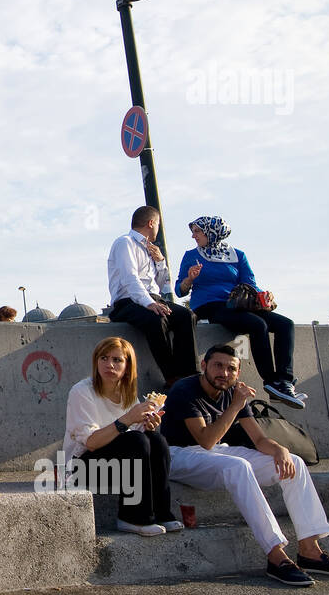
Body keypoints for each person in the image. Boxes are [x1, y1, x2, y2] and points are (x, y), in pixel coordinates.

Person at [163, 344, 329, 586]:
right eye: (218, 366)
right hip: (179, 456)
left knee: (295, 463)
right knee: (238, 467)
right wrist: (236, 405)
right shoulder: (185, 389)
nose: (224, 373)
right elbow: (205, 440)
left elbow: (258, 439)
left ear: (237, 373)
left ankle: (310, 550)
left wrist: (280, 450)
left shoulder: (233, 391)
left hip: (217, 453)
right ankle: (276, 556)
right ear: (204, 366)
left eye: (231, 369)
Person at [176, 216, 306, 409]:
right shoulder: (191, 256)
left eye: (197, 231)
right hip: (209, 305)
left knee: (285, 324)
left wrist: (264, 296)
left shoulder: (237, 255)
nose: (193, 236)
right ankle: (270, 381)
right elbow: (180, 290)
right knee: (257, 325)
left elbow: (249, 284)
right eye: (193, 231)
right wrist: (189, 279)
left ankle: (284, 382)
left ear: (212, 233)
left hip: (237, 304)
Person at [62, 337, 179, 536]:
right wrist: (126, 420)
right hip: (80, 467)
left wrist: (147, 426)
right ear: (96, 362)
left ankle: (161, 513)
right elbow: (91, 442)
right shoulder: (81, 391)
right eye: (104, 358)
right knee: (136, 440)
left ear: (128, 366)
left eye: (117, 360)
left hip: (114, 464)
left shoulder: (127, 394)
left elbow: (135, 440)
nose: (109, 364)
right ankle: (132, 517)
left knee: (156, 439)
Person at [108, 206, 198, 387]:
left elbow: (161, 283)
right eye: (157, 224)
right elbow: (129, 278)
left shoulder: (150, 248)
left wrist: (160, 262)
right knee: (156, 319)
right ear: (151, 223)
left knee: (186, 316)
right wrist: (148, 303)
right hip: (128, 301)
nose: (158, 229)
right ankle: (172, 377)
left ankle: (189, 374)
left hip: (152, 297)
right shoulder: (125, 243)